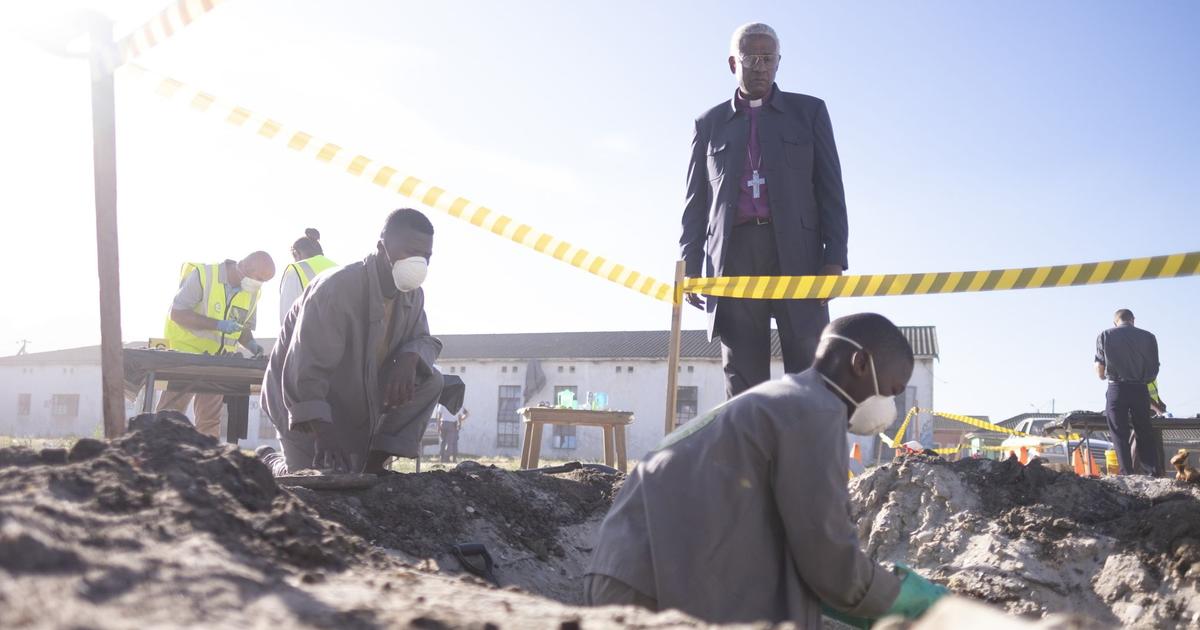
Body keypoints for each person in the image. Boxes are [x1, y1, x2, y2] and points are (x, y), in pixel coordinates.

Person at [586, 313, 945, 626]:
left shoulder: (780, 400)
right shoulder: (815, 412)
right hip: (651, 584)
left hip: (630, 570)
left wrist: (857, 600)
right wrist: (908, 599)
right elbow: (828, 560)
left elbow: (792, 551)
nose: (890, 406)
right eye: (892, 390)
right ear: (861, 363)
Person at [680, 22, 849, 398]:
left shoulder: (809, 112)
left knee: (809, 368)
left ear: (778, 62)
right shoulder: (708, 125)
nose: (760, 67)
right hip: (733, 256)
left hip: (798, 252)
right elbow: (696, 202)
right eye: (751, 58)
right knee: (743, 375)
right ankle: (749, 438)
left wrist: (834, 257)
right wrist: (690, 265)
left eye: (768, 58)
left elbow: (831, 189)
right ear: (732, 63)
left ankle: (805, 438)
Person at [258, 208, 444, 475]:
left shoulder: (413, 295)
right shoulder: (336, 289)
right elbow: (305, 371)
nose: (419, 263)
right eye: (410, 252)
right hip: (299, 399)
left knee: (431, 379)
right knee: (308, 479)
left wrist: (410, 356)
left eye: (426, 256)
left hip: (352, 396)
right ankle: (268, 461)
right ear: (382, 248)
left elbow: (424, 339)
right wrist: (323, 433)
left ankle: (373, 466)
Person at [158, 252, 275, 438]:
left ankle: (208, 455)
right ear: (245, 267)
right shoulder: (204, 276)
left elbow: (242, 328)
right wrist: (217, 324)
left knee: (209, 422)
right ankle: (159, 452)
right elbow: (178, 314)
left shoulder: (252, 293)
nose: (260, 284)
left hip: (218, 364)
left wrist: (252, 345)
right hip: (186, 359)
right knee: (170, 416)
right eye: (260, 279)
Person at [1095, 309, 1162, 476]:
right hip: (1140, 389)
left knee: (1119, 432)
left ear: (1115, 322)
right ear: (1133, 320)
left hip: (1117, 388)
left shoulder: (1105, 335)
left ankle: (1127, 473)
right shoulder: (1149, 337)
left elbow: (1100, 370)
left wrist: (1104, 375)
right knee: (1144, 430)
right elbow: (1154, 369)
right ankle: (1151, 472)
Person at [279, 228, 338, 324]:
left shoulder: (296, 270)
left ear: (296, 253)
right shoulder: (337, 268)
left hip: (309, 331)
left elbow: (287, 318)